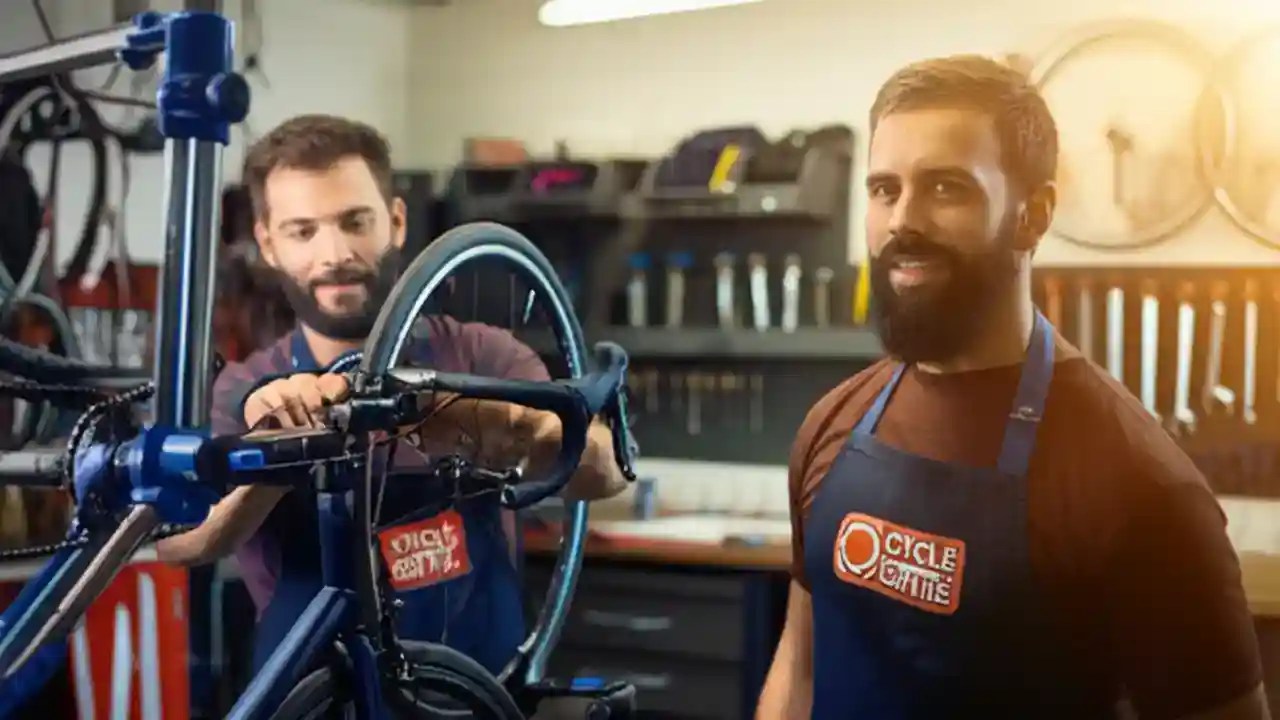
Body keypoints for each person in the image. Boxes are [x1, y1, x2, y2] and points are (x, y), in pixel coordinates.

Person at [756, 55, 1268, 719]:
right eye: (885, 190)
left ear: (1033, 214)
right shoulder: (834, 423)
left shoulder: (1140, 484)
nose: (903, 221)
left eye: (946, 188)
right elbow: (800, 670)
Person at [155, 114, 629, 675]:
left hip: (476, 699)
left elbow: (608, 475)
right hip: (316, 705)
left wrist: (523, 428)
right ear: (268, 244)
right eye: (302, 231)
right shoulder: (242, 391)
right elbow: (179, 544)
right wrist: (280, 452)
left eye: (355, 221)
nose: (333, 254)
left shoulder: (481, 357)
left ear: (396, 221)